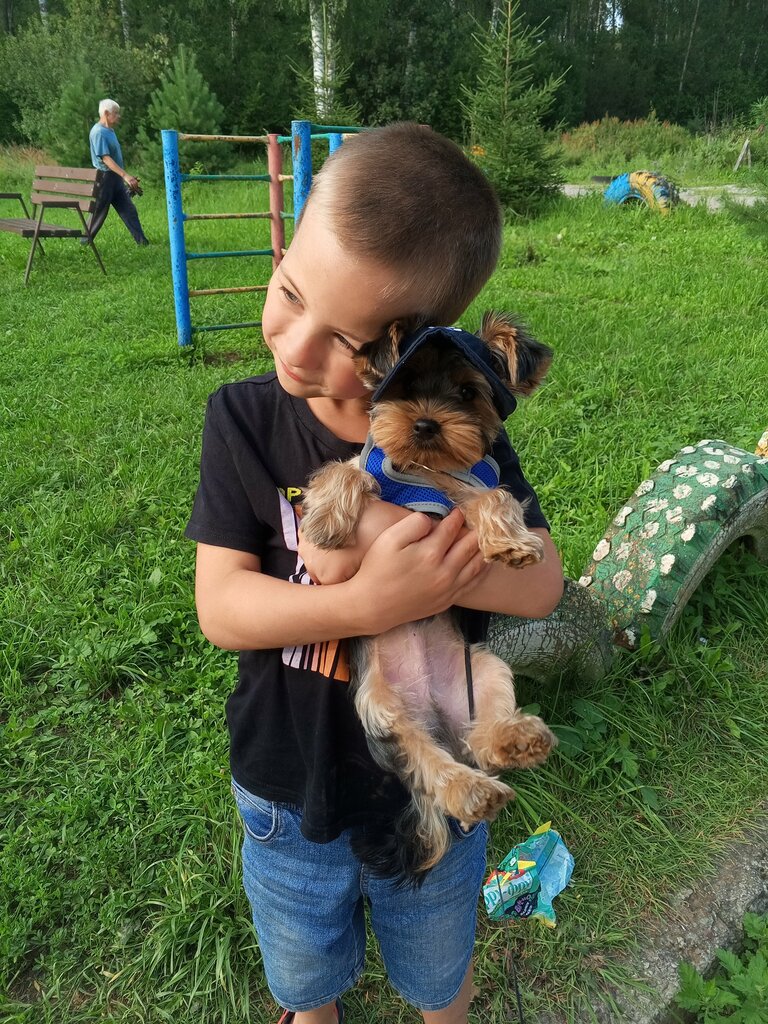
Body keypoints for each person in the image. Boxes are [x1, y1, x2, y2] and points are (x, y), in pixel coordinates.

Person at [185, 122, 564, 1024]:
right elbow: (222, 606)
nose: (296, 348)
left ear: (409, 346)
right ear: (283, 250)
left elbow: (541, 583)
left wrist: (431, 575)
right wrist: (364, 601)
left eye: (349, 346)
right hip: (288, 783)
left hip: (443, 775)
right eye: (289, 291)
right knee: (303, 974)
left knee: (438, 965)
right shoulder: (242, 421)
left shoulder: (464, 444)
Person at [86, 99, 149, 245]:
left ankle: (142, 242)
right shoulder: (98, 132)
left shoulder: (110, 131)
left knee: (128, 210)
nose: (119, 116)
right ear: (106, 113)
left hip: (115, 179)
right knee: (99, 213)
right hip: (105, 179)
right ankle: (85, 242)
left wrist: (124, 177)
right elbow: (106, 159)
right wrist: (125, 175)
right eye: (116, 113)